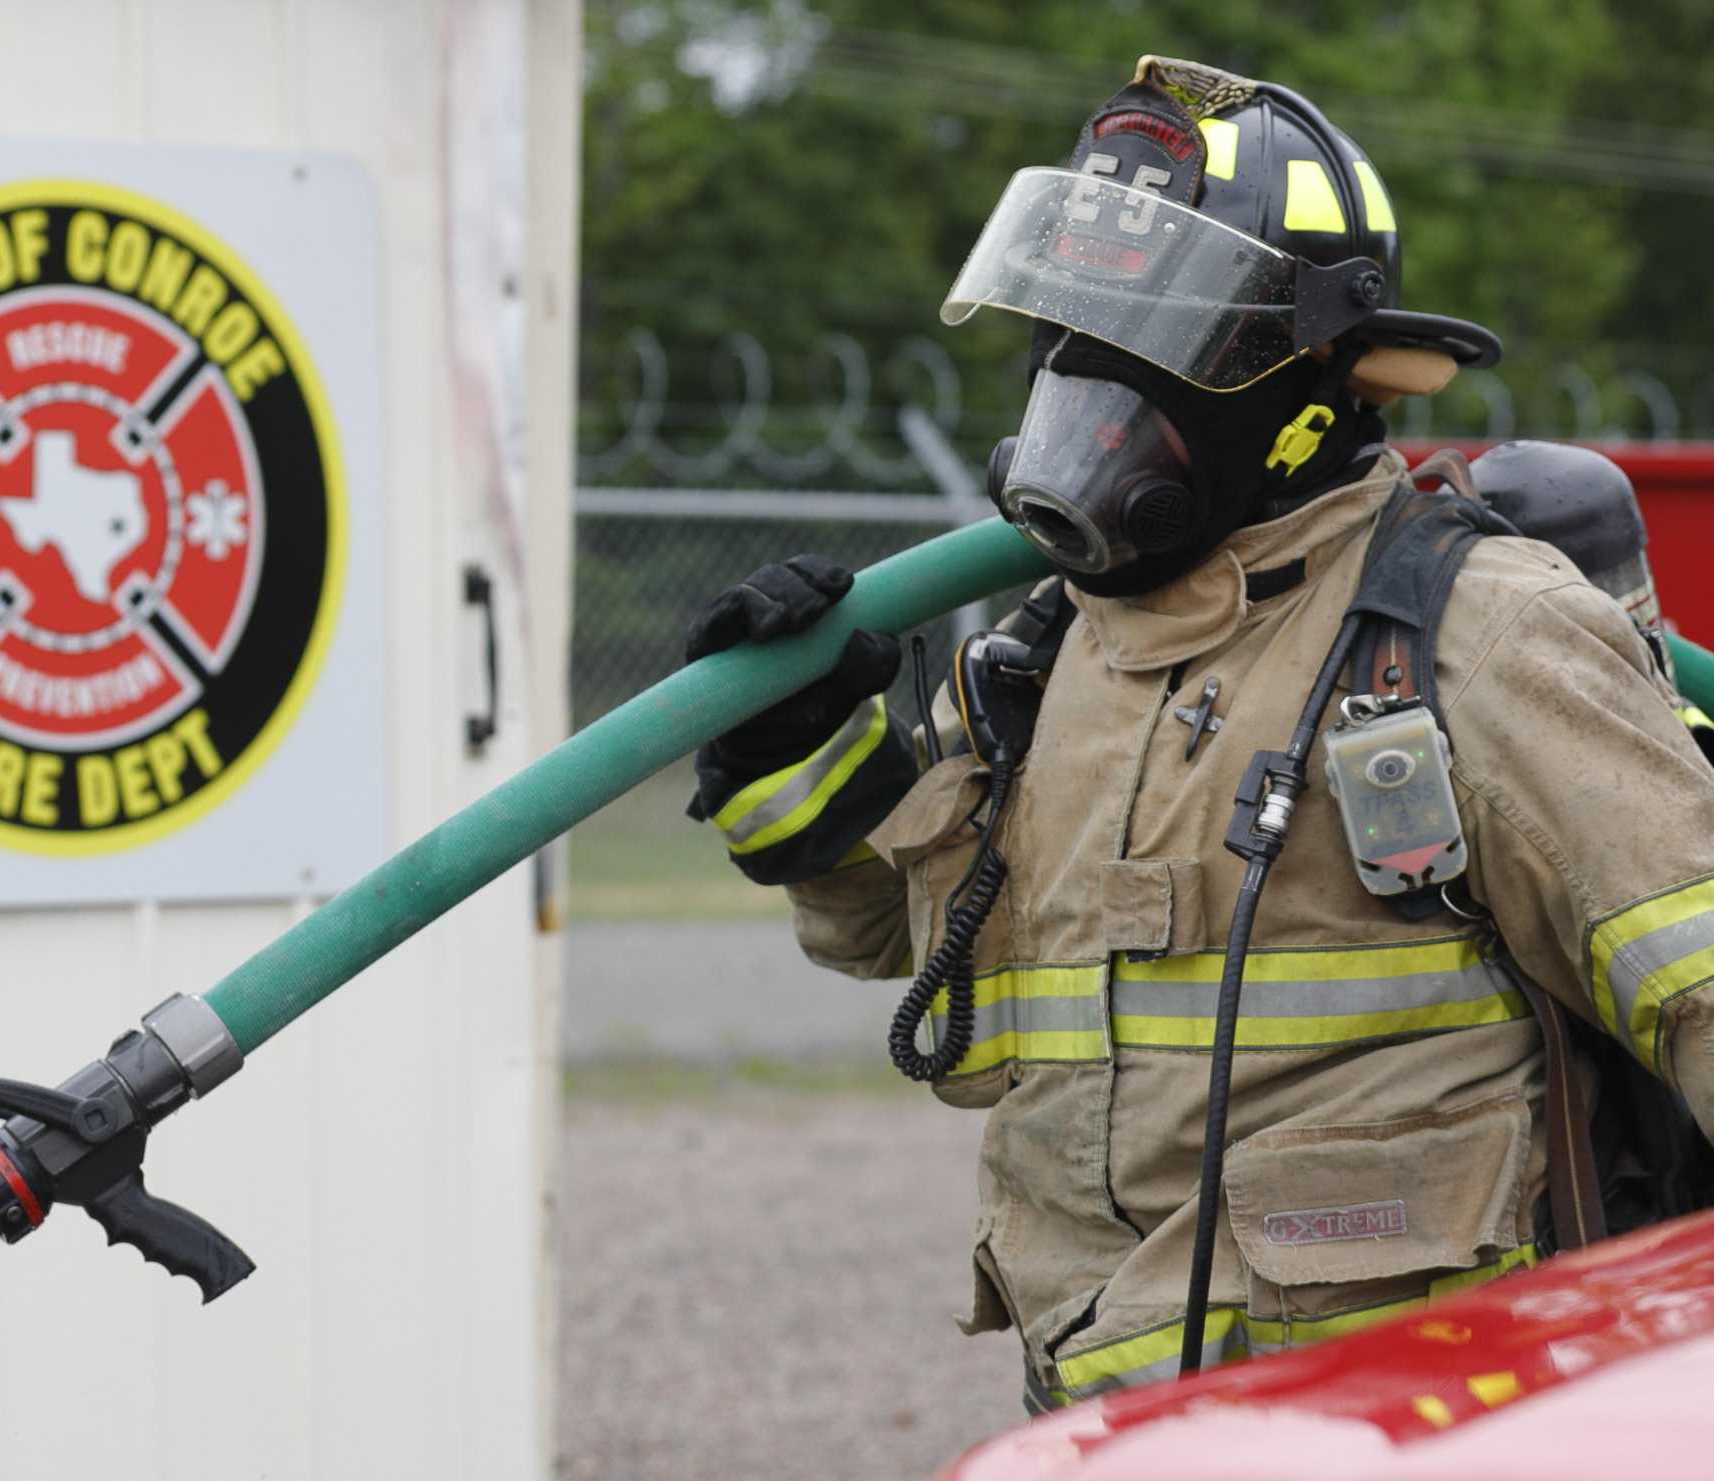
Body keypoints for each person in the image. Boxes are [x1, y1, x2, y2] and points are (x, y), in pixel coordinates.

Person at [683, 55, 1714, 1410]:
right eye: (1075, 325)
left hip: (1404, 1422)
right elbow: (902, 941)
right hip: (1103, 1422)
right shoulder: (1048, 654)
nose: (1087, 381)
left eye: (1158, 335)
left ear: (1312, 374)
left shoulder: (1478, 631)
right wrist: (801, 759)